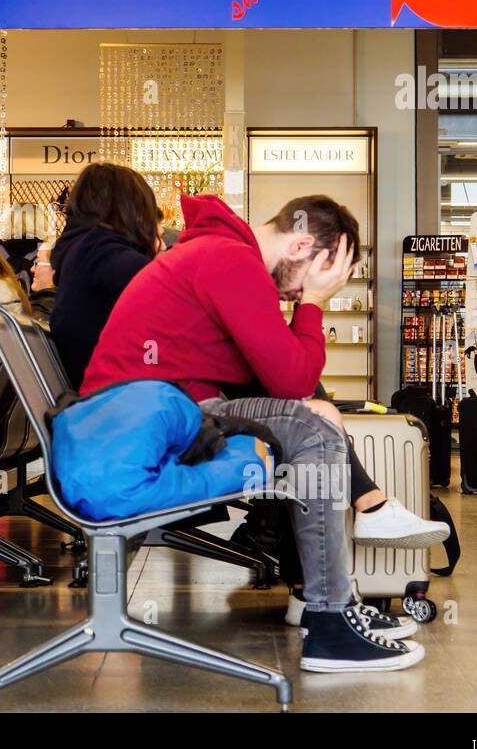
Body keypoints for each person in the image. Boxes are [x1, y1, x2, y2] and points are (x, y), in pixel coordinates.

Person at [84, 193, 444, 672]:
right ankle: (331, 616)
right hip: (147, 423)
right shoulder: (230, 260)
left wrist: (301, 395)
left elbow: (279, 373)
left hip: (150, 413)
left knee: (308, 420)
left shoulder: (221, 253)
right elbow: (290, 377)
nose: (300, 295)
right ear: (300, 247)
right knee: (312, 428)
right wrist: (313, 305)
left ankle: (328, 600)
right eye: (320, 276)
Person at [48, 163, 161, 387]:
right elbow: (161, 283)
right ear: (130, 209)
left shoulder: (80, 252)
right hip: (120, 400)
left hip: (102, 395)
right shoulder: (98, 249)